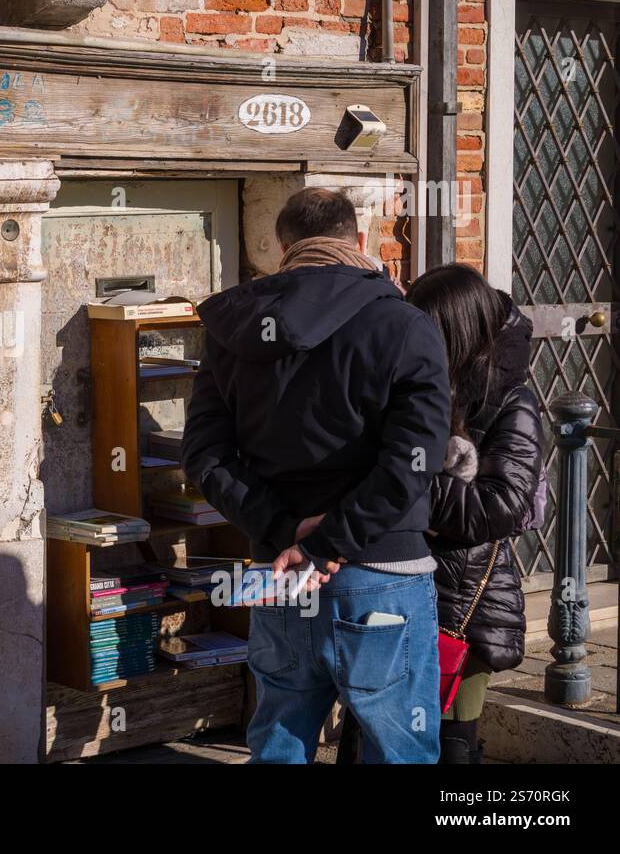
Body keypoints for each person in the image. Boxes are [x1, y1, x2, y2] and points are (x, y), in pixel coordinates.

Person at [183, 187, 451, 764]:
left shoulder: (233, 332)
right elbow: (417, 458)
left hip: (283, 572)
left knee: (279, 743)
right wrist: (327, 542)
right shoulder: (403, 325)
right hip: (381, 567)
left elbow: (206, 457)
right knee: (398, 752)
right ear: (359, 242)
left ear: (283, 249)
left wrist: (287, 534)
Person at [406, 263, 541, 763]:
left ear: (452, 332)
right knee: (381, 729)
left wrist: (406, 489)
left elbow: (503, 505)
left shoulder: (512, 402)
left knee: (450, 740)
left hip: (464, 602)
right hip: (403, 583)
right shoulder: (425, 386)